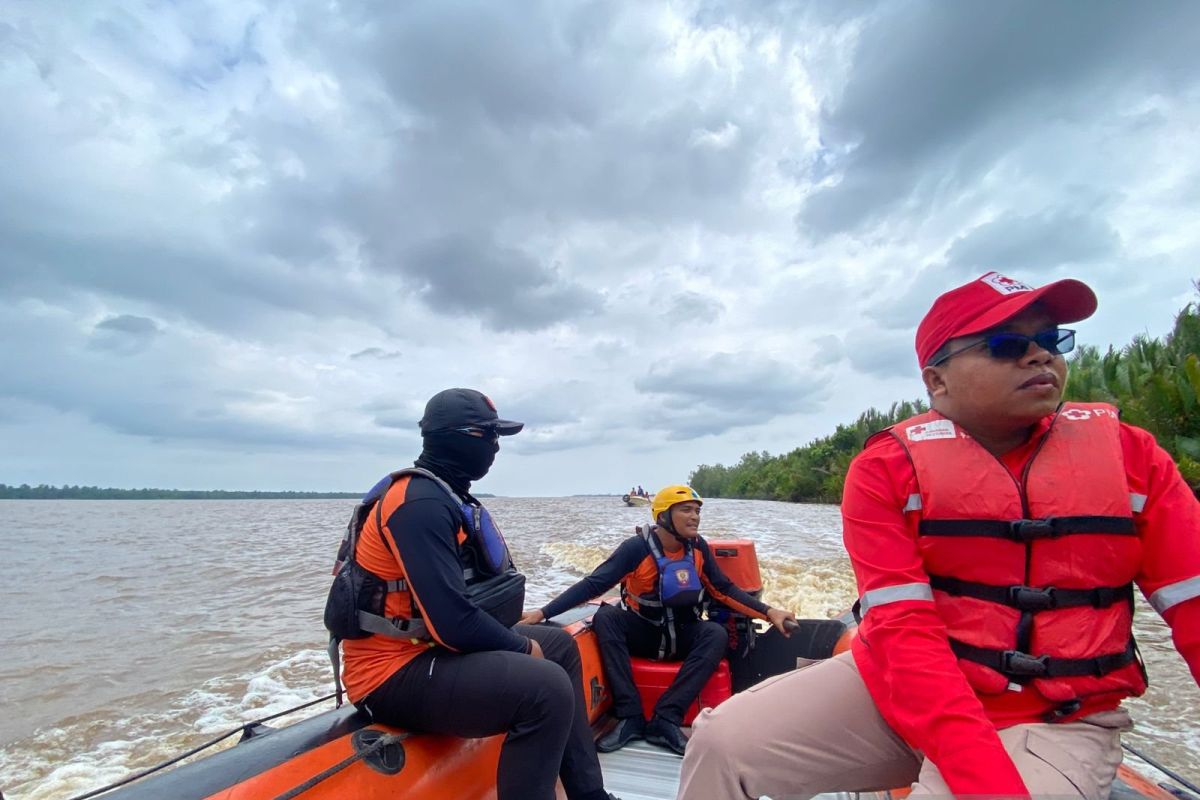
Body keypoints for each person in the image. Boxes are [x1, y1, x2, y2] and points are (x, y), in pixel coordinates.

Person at [677, 272, 1200, 799]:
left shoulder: (1133, 459)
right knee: (720, 743)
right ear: (937, 382)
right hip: (895, 691)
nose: (1040, 356)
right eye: (1007, 344)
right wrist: (984, 779)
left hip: (1050, 719)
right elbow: (906, 634)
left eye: (1052, 339)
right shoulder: (886, 470)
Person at [334, 388, 620, 800]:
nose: (496, 447)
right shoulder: (419, 503)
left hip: (429, 650)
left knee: (557, 645)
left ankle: (589, 794)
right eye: (489, 436)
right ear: (460, 436)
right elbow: (452, 622)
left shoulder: (446, 495)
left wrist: (526, 643)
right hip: (389, 672)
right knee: (545, 686)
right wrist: (520, 648)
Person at [521, 485, 796, 756]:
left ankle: (666, 719)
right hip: (645, 633)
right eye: (686, 510)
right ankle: (630, 716)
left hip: (684, 632)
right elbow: (593, 584)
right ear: (663, 516)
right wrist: (543, 613)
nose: (695, 517)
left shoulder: (698, 548)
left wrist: (769, 612)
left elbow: (724, 590)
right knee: (607, 617)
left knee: (715, 633)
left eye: (697, 511)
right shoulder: (635, 549)